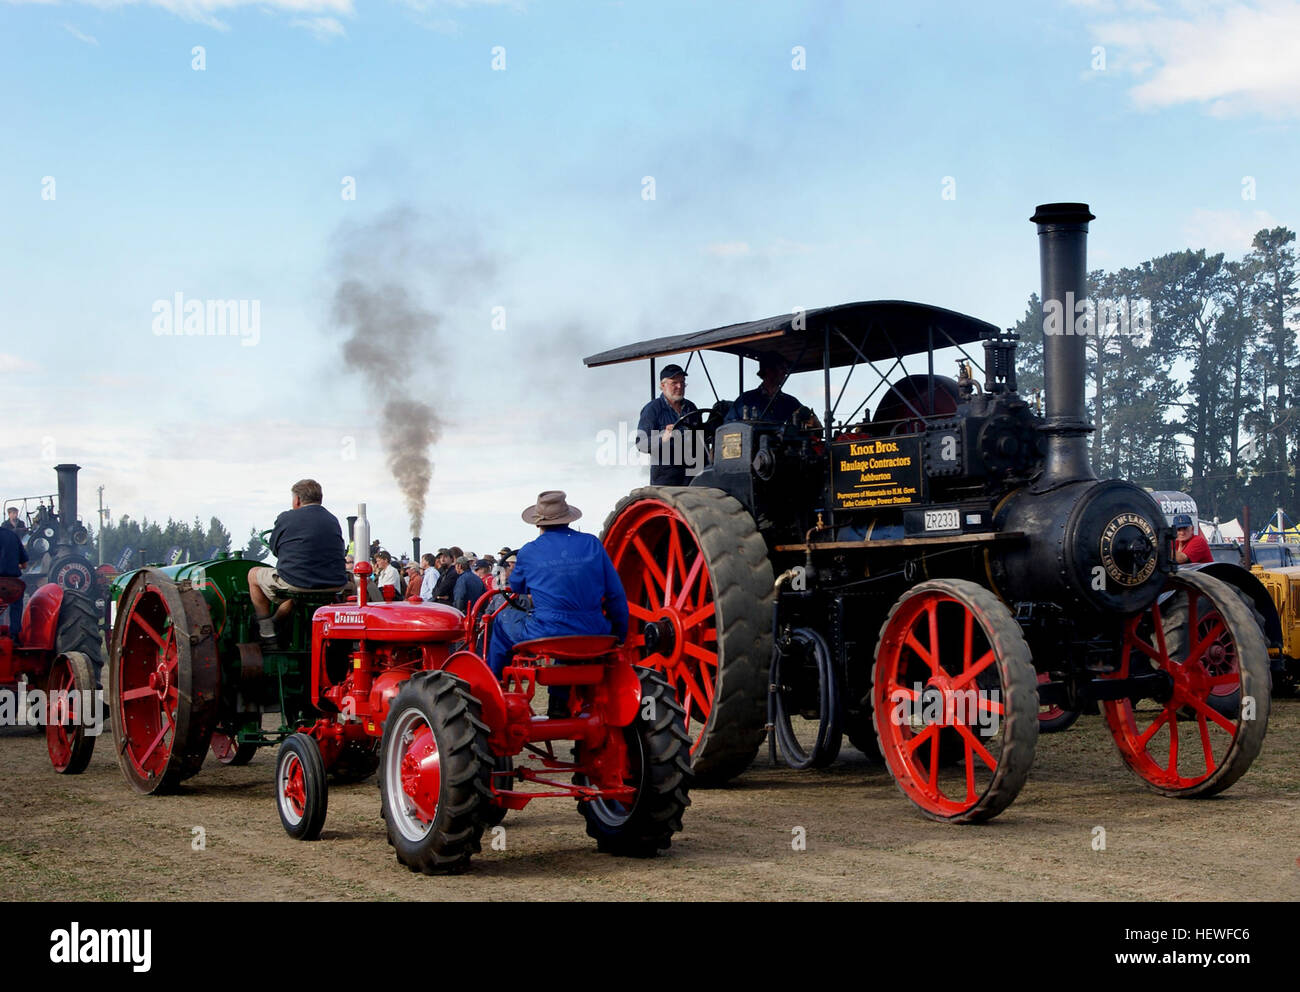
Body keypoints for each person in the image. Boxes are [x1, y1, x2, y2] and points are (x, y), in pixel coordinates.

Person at [487, 492, 629, 698]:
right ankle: (558, 704)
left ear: (537, 523)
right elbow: (616, 594)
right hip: (595, 631)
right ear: (568, 518)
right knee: (567, 641)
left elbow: (518, 587)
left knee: (503, 619)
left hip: (546, 632)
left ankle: (496, 687)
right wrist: (620, 634)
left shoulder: (529, 551)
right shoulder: (592, 544)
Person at [246, 479, 348, 647]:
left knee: (253, 574)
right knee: (296, 586)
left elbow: (275, 549)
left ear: (297, 500)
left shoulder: (286, 518)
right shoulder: (332, 520)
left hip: (299, 582)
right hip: (334, 584)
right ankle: (277, 620)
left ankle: (266, 632)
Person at [637, 363, 700, 486]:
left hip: (693, 473)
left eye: (682, 382)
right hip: (666, 477)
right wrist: (662, 437)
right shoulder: (652, 409)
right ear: (662, 385)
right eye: (674, 383)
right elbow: (641, 444)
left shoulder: (691, 407)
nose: (679, 386)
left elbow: (700, 438)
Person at [725, 353, 819, 428]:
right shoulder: (746, 400)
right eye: (781, 368)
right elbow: (729, 426)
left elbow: (810, 420)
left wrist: (812, 420)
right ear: (768, 370)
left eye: (786, 369)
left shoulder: (791, 402)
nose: (785, 372)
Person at [0, 522, 28, 638]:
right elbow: (24, 565)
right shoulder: (12, 535)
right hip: (12, 584)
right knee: (16, 604)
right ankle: (14, 635)